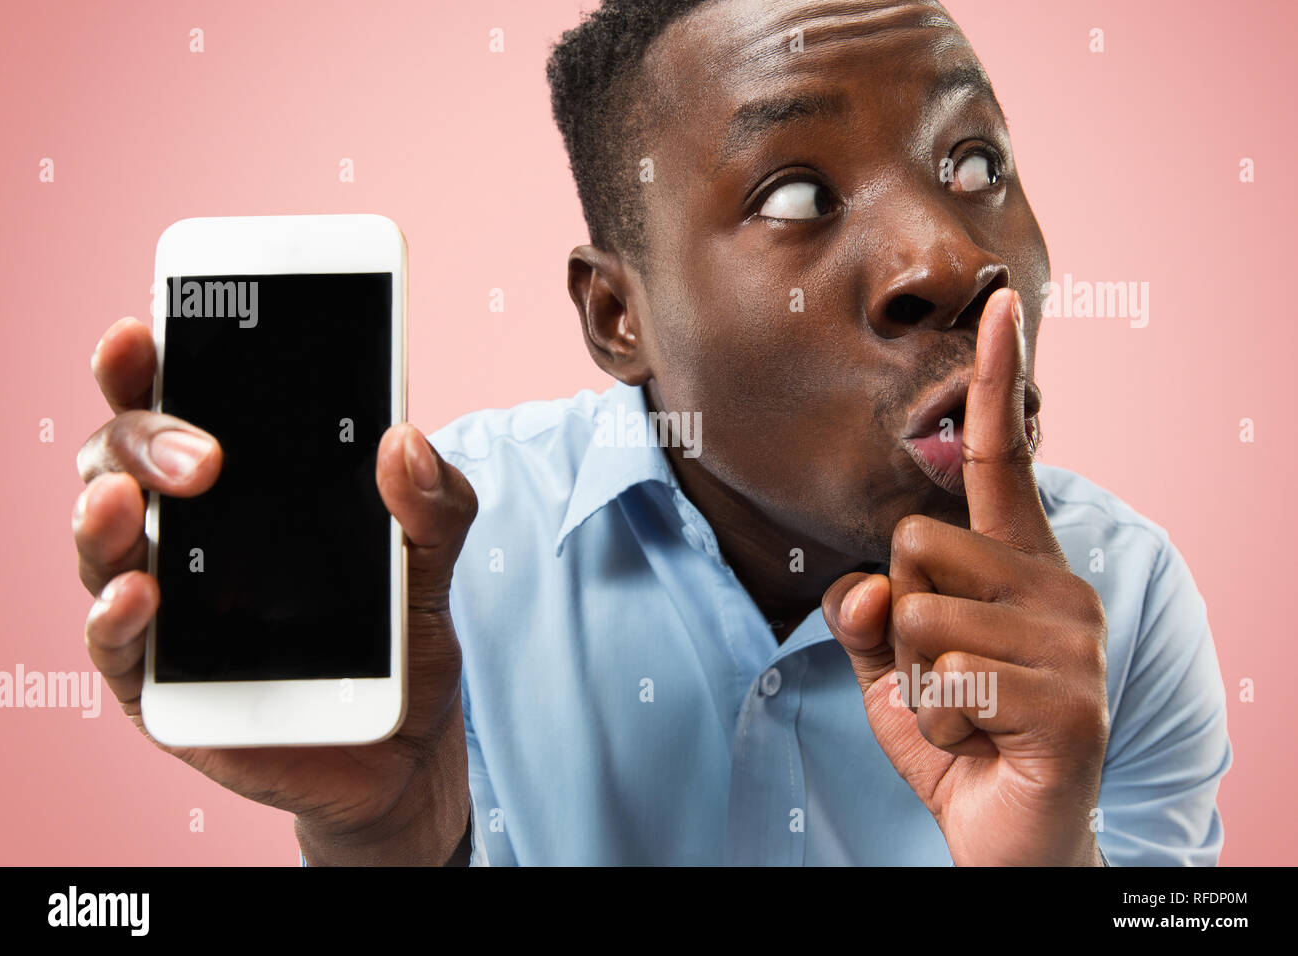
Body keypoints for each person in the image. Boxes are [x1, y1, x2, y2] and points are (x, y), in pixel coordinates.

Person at [72, 0, 1231, 865]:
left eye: (974, 161)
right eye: (795, 198)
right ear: (618, 316)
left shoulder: (1122, 600)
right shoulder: (433, 553)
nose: (946, 259)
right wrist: (385, 844)